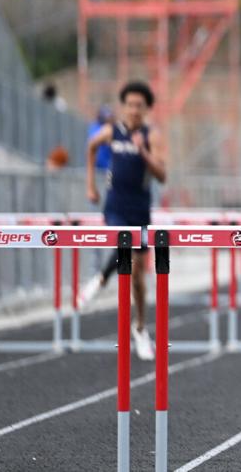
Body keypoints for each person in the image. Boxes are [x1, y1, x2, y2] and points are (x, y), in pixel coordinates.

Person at [81, 81, 167, 362]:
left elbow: (162, 175)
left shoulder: (152, 136)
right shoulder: (112, 131)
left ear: (146, 108)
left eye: (139, 105)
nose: (133, 110)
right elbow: (91, 149)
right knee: (125, 248)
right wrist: (90, 186)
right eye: (129, 104)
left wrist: (142, 151)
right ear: (123, 106)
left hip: (140, 209)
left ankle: (140, 327)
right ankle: (102, 278)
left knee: (138, 276)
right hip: (114, 206)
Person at [87, 105, 114, 172]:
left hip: (108, 168)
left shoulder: (111, 128)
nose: (108, 118)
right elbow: (93, 140)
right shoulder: (95, 127)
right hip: (97, 168)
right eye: (106, 116)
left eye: (109, 116)